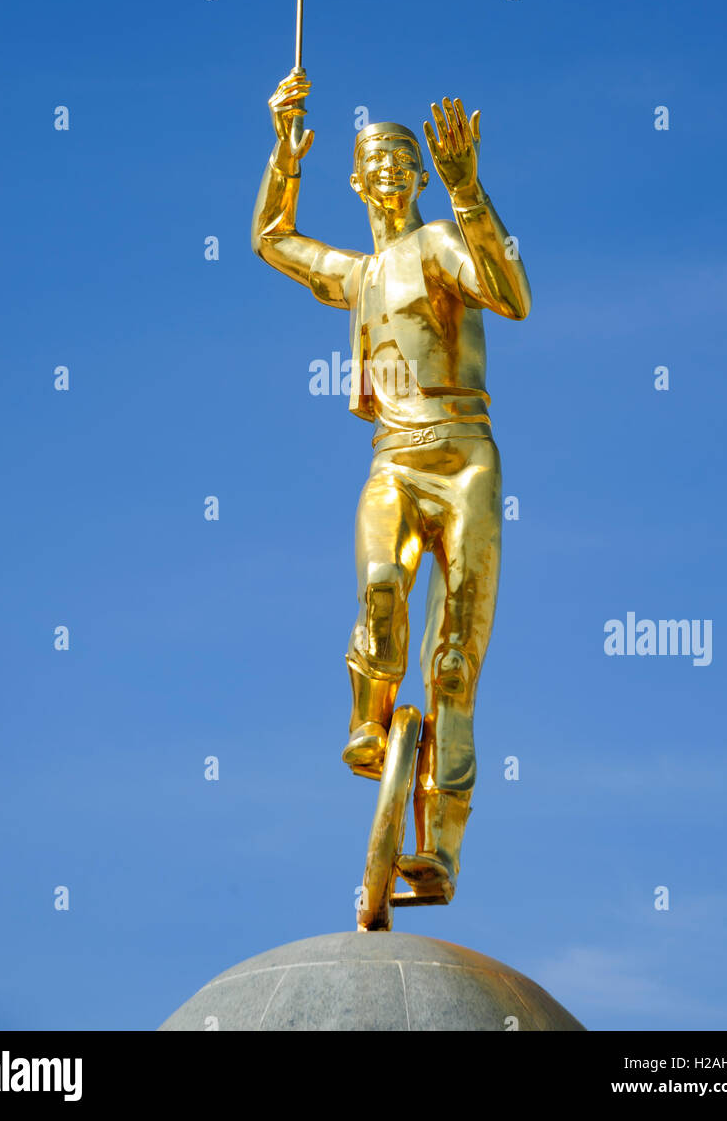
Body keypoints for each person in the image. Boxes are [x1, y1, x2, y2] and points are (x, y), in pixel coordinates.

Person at [251, 70, 532, 900]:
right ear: (353, 179)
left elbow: (510, 296)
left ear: (417, 177)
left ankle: (438, 850)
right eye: (370, 159)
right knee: (379, 592)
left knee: (453, 663)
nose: (384, 171)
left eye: (399, 161)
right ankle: (365, 727)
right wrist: (283, 150)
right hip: (394, 456)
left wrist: (470, 190)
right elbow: (273, 237)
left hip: (465, 456)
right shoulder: (357, 273)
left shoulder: (441, 243)